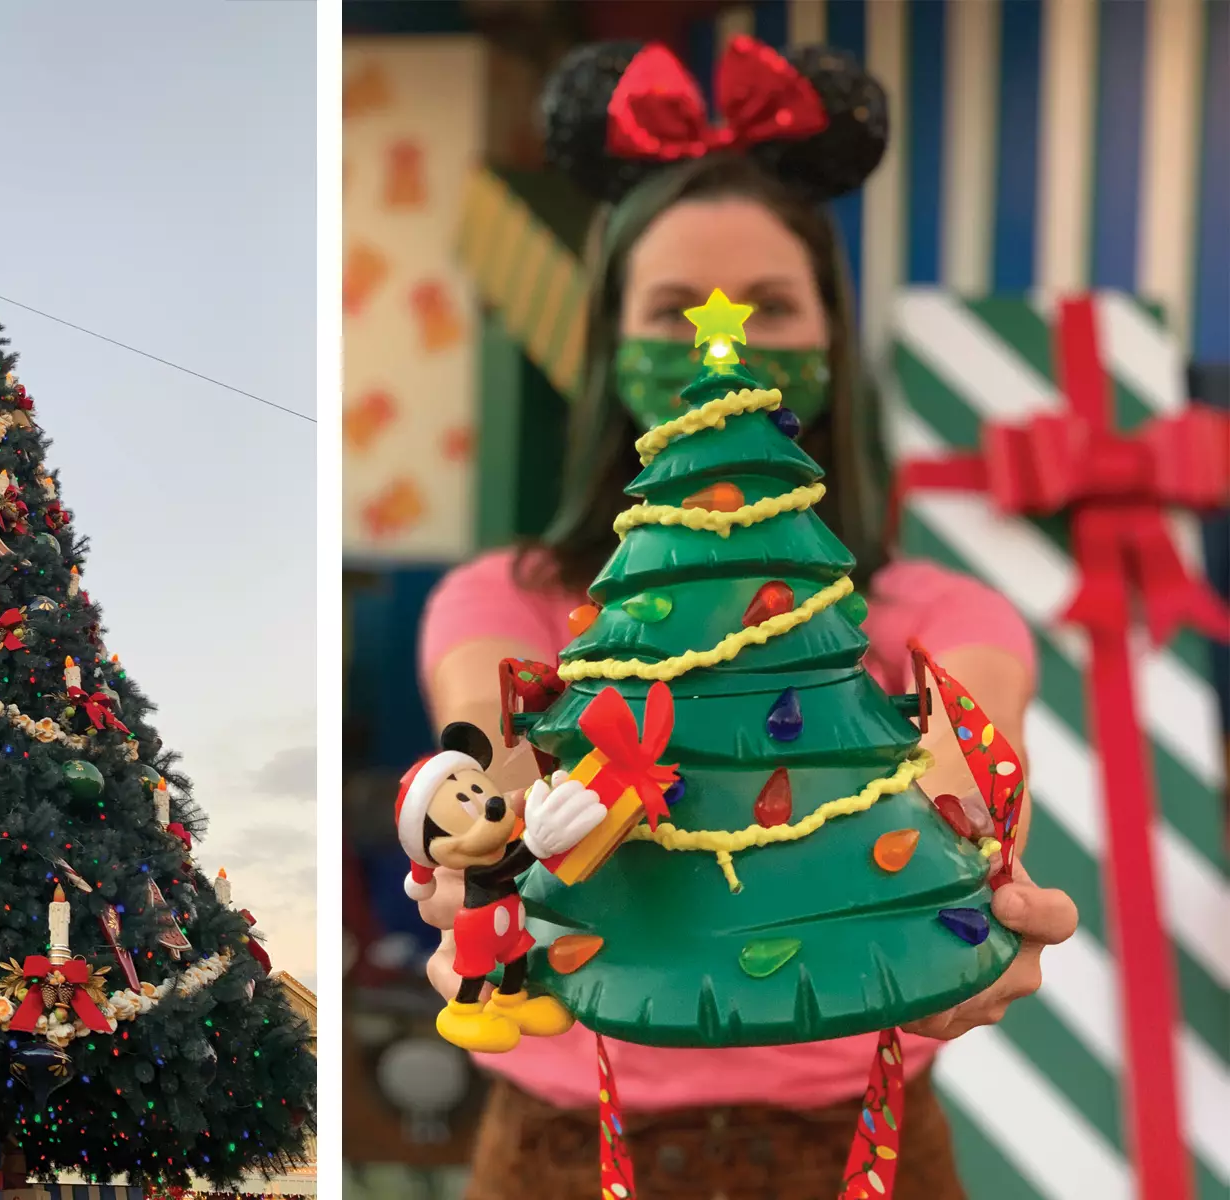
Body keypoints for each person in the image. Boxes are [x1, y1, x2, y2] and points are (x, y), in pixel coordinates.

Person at [415, 38, 1078, 1200]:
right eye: (674, 309)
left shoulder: (939, 614)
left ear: (830, 338)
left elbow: (962, 748)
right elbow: (490, 722)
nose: (720, 342)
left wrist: (967, 870)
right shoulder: (509, 598)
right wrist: (474, 818)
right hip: (563, 1157)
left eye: (770, 306)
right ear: (612, 343)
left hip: (862, 1151)